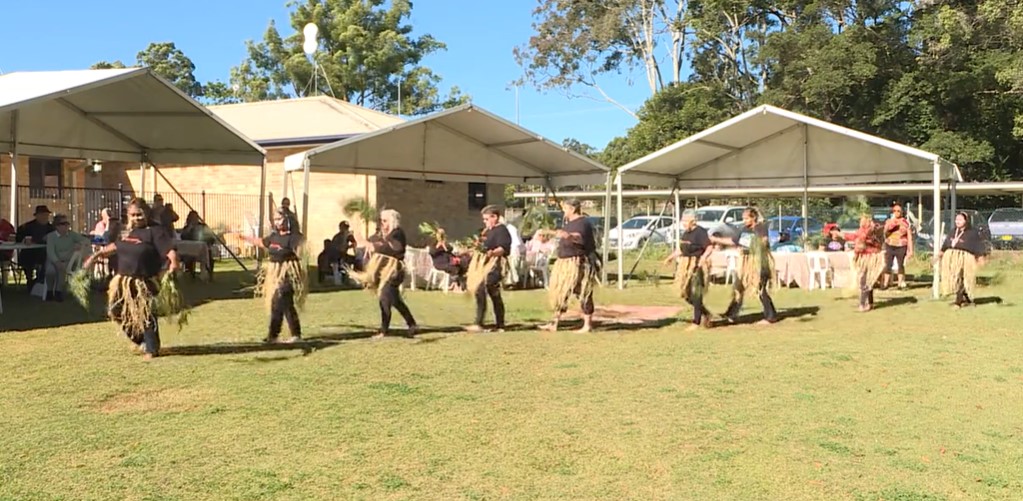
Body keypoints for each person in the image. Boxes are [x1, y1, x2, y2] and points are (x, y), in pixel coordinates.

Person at [83, 199, 180, 361]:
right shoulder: (132, 233)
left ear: (147, 213)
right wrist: (96, 255)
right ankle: (140, 340)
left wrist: (173, 265)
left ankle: (152, 349)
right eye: (133, 215)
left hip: (144, 281)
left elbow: (169, 251)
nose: (137, 218)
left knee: (145, 313)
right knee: (115, 310)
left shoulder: (155, 232)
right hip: (123, 282)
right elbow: (116, 247)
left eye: (139, 214)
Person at [245, 208, 307, 343]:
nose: (277, 222)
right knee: (277, 304)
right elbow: (262, 242)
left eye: (280, 219)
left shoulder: (294, 237)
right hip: (274, 273)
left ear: (288, 219)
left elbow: (301, 251)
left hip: (287, 272)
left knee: (284, 299)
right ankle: (273, 335)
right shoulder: (274, 236)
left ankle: (295, 335)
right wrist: (245, 238)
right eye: (275, 220)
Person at [354, 209, 419, 338]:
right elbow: (375, 243)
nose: (382, 224)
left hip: (394, 271)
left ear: (392, 221)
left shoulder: (397, 233)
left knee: (384, 296)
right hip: (385, 270)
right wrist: (365, 241)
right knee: (395, 300)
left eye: (385, 221)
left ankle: (384, 330)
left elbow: (393, 248)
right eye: (381, 221)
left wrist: (371, 245)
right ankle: (412, 324)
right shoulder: (385, 234)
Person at [710, 207, 778, 325]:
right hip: (745, 262)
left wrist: (756, 244)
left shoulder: (760, 227)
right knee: (739, 287)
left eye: (746, 218)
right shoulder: (743, 229)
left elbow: (765, 241)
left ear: (754, 217)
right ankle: (731, 313)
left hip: (757, 261)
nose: (744, 220)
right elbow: (733, 241)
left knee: (760, 288)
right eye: (743, 218)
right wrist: (716, 239)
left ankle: (770, 316)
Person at [541, 199, 599, 332]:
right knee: (560, 293)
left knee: (584, 292)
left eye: (565, 209)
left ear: (572, 209)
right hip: (564, 263)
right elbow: (564, 236)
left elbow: (578, 237)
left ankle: (587, 325)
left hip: (577, 262)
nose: (563, 212)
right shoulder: (569, 223)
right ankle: (554, 323)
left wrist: (569, 236)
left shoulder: (582, 223)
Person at [663, 209, 715, 331]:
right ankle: (706, 313)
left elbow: (709, 247)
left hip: (697, 264)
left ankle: (696, 322)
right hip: (685, 264)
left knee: (696, 293)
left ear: (692, 221)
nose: (683, 223)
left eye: (685, 221)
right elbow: (682, 249)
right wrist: (670, 258)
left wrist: (703, 259)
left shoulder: (700, 232)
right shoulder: (686, 233)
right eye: (682, 221)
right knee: (685, 294)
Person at [466, 205, 512, 332]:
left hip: (494, 265)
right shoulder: (487, 231)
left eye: (487, 219)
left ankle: (500, 324)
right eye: (484, 219)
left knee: (493, 292)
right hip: (483, 264)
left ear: (495, 217)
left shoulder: (502, 230)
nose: (484, 221)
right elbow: (482, 245)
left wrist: (492, 253)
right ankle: (479, 322)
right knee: (479, 290)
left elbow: (503, 247)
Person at [937, 212, 986, 308]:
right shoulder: (953, 231)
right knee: (955, 278)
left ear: (966, 221)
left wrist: (980, 257)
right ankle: (967, 299)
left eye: (960, 219)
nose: (957, 221)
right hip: (952, 259)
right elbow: (946, 244)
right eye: (956, 219)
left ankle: (958, 302)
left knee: (963, 279)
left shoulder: (972, 233)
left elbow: (978, 245)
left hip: (966, 259)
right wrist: (940, 254)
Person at [44, 214, 91, 301]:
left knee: (63, 270)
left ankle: (58, 292)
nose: (66, 226)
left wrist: (80, 244)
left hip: (67, 261)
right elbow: (50, 252)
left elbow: (86, 240)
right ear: (57, 226)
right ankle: (49, 291)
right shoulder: (51, 237)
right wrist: (57, 262)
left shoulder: (72, 235)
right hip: (54, 260)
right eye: (63, 224)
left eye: (67, 223)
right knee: (50, 272)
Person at [852, 214, 885, 312]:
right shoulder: (872, 230)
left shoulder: (869, 231)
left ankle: (862, 305)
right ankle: (870, 303)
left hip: (870, 258)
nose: (860, 222)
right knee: (868, 280)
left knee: (864, 281)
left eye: (862, 220)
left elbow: (860, 244)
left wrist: (856, 254)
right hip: (869, 257)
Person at [15, 205, 55, 286]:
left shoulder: (51, 228)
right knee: (27, 257)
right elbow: (18, 237)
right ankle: (29, 280)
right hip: (30, 252)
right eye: (42, 215)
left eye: (46, 215)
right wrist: (24, 240)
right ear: (36, 216)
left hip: (45, 253)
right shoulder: (27, 227)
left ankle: (39, 280)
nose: (44, 217)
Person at [882, 203, 913, 289]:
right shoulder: (889, 221)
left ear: (902, 212)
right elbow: (884, 232)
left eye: (898, 211)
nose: (896, 212)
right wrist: (890, 226)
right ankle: (885, 284)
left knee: (900, 265)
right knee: (888, 265)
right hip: (890, 245)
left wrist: (910, 250)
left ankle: (900, 283)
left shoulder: (906, 223)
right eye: (895, 211)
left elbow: (909, 237)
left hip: (901, 246)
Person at [180, 211, 216, 278]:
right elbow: (183, 237)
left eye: (195, 217)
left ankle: (208, 273)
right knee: (188, 254)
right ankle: (190, 273)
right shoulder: (187, 228)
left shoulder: (202, 226)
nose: (194, 219)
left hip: (203, 248)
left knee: (209, 253)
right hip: (191, 248)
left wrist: (209, 242)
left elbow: (211, 238)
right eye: (192, 218)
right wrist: (189, 229)